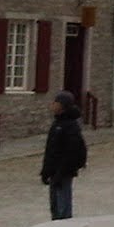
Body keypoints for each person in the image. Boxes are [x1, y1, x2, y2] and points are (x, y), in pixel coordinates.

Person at [41, 90, 88, 220]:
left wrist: (61, 172)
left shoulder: (70, 126)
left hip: (63, 172)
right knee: (55, 206)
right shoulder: (57, 123)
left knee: (63, 207)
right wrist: (46, 171)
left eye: (56, 102)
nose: (52, 105)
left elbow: (72, 152)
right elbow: (50, 150)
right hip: (54, 171)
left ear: (62, 105)